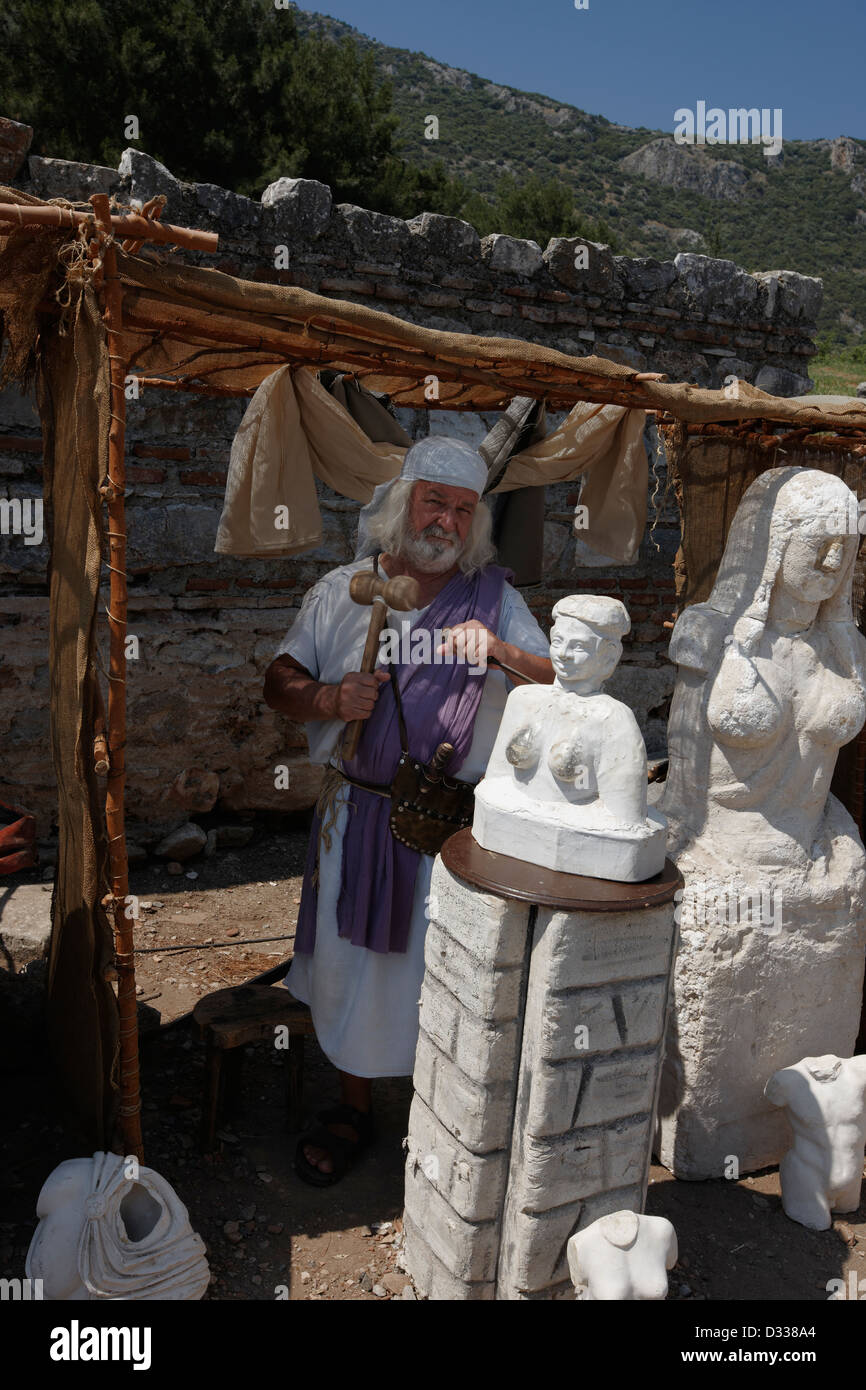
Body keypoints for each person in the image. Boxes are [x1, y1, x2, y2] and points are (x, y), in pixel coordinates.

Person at [263, 436, 553, 1184]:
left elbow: (556, 679)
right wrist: (327, 698)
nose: (448, 521)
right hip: (358, 818)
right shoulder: (343, 590)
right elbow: (279, 678)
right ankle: (353, 1103)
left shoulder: (496, 601)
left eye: (463, 509)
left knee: (445, 971)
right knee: (355, 966)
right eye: (435, 501)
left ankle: (446, 1110)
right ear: (403, 504)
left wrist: (498, 651)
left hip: (453, 829)